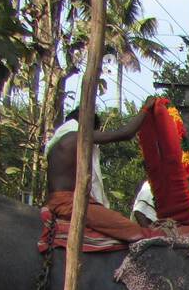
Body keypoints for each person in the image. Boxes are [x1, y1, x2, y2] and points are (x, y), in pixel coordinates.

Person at [44, 104, 152, 243]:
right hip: (70, 203)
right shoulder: (78, 136)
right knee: (134, 232)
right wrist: (146, 109)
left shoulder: (58, 142)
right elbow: (126, 133)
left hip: (58, 200)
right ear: (86, 125)